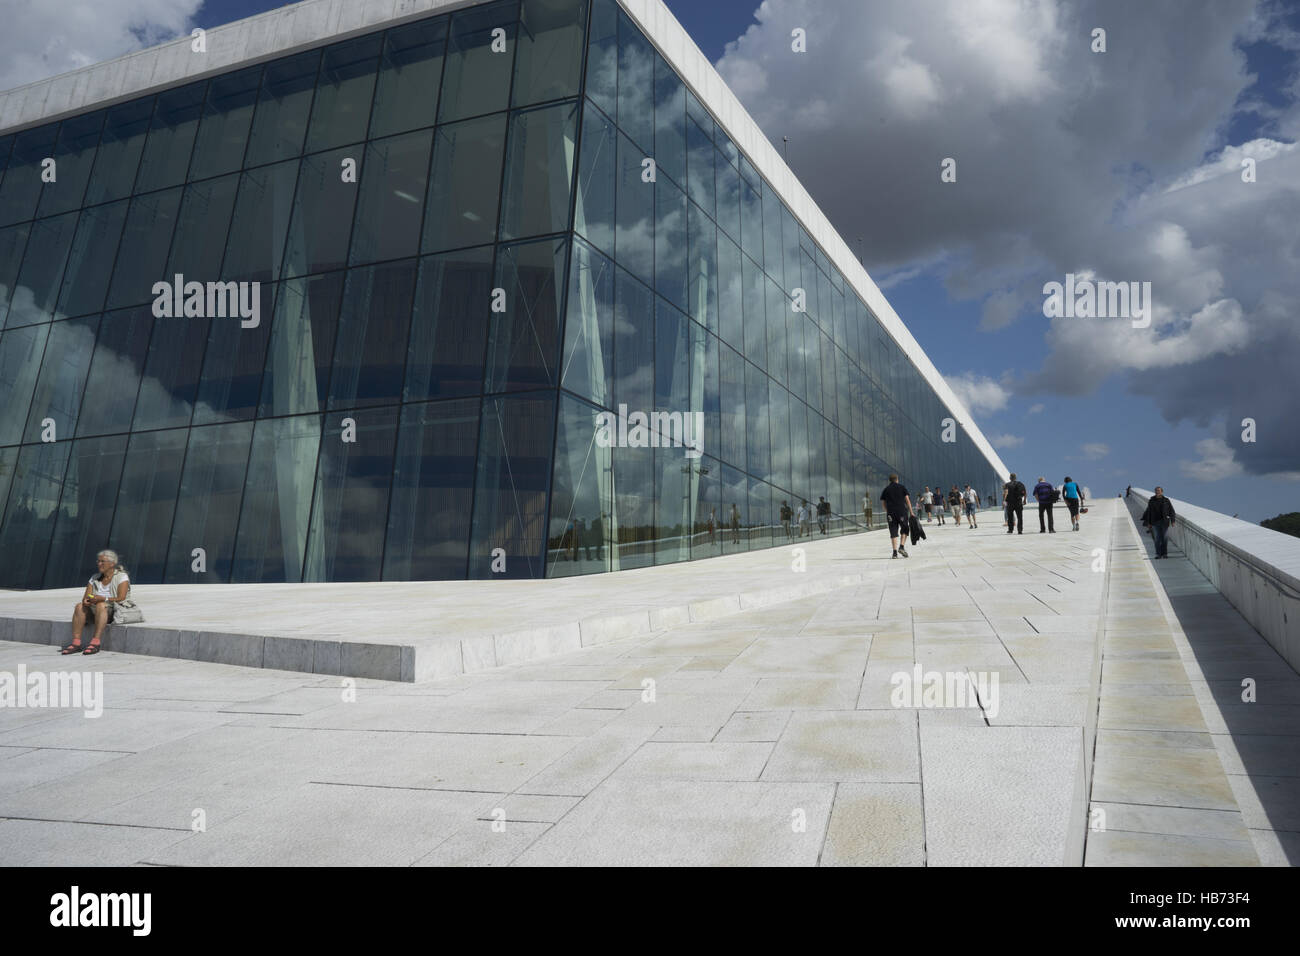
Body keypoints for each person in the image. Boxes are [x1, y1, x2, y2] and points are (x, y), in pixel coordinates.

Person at [62, 550, 139, 655]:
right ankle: (76, 643)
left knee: (101, 605)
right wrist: (87, 600)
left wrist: (102, 599)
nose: (99, 564)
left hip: (114, 610)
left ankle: (95, 642)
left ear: (112, 563)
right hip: (96, 610)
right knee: (79, 606)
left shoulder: (121, 577)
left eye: (103, 561)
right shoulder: (94, 578)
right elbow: (86, 597)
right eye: (98, 561)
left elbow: (121, 598)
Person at [880, 474, 914, 559]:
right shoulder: (902, 487)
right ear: (897, 479)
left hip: (891, 513)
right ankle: (901, 547)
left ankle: (894, 553)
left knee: (893, 532)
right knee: (905, 528)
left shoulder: (886, 489)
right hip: (902, 512)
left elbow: (883, 503)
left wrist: (888, 511)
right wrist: (911, 512)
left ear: (890, 480)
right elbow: (907, 500)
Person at [1140, 487, 1176, 558]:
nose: (1157, 492)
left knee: (1164, 538)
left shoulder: (1166, 500)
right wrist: (1148, 523)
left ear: (1162, 492)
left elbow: (1172, 511)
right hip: (1154, 522)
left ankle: (1164, 554)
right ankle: (1158, 554)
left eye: (1159, 491)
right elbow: (1149, 512)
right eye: (1156, 491)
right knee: (1157, 539)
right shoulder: (1151, 500)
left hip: (1164, 522)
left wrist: (1173, 521)